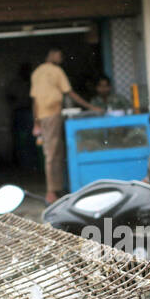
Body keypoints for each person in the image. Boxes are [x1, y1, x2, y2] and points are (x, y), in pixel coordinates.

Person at [31, 48, 96, 203]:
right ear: (52, 54)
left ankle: (56, 189)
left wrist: (36, 121)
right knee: (52, 154)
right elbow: (70, 92)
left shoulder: (37, 72)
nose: (61, 58)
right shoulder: (56, 71)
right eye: (60, 55)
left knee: (55, 153)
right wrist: (91, 107)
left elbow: (34, 100)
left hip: (43, 116)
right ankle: (51, 192)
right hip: (52, 115)